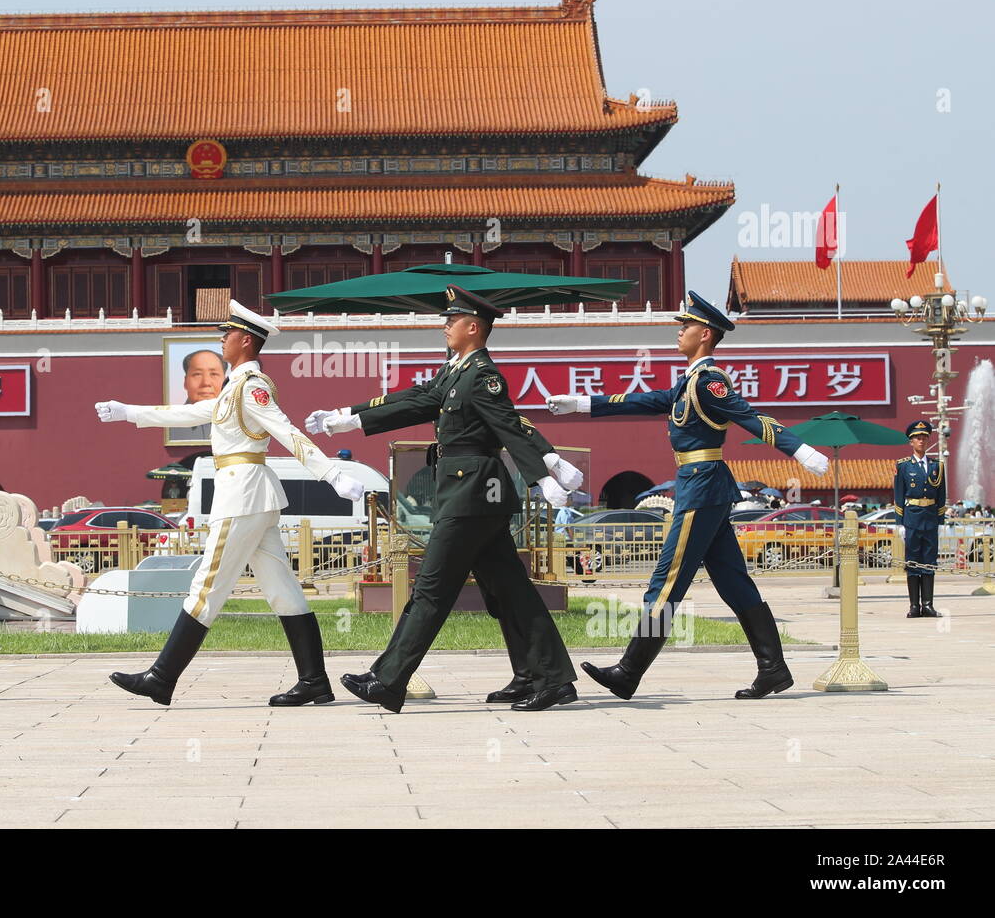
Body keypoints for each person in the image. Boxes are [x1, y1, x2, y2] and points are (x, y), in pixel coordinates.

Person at [308, 286, 582, 712]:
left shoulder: (482, 376)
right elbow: (414, 400)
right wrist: (350, 417)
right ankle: (545, 676)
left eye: (451, 320)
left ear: (473, 328)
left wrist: (540, 475)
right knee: (509, 591)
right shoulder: (455, 372)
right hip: (469, 496)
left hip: (472, 495)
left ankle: (389, 679)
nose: (445, 326)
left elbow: (509, 425)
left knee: (432, 589)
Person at [547, 290, 831, 701]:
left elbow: (750, 417)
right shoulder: (689, 383)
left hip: (701, 486)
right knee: (734, 582)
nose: (679, 331)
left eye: (687, 326)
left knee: (667, 580)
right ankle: (773, 669)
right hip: (702, 485)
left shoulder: (709, 381)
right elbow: (640, 401)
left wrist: (799, 450)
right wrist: (579, 404)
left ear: (706, 334)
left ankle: (628, 671)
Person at [94, 300, 364, 706]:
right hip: (249, 495)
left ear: (246, 340)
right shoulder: (233, 387)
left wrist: (333, 475)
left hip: (242, 497)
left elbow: (287, 432)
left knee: (206, 587)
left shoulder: (252, 387)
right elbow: (192, 413)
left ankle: (161, 678)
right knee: (282, 591)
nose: (222, 338)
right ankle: (314, 681)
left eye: (228, 333)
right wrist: (129, 411)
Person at [894, 419, 945, 618]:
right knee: (913, 562)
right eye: (917, 438)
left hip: (930, 517)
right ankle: (914, 605)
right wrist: (900, 523)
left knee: (929, 562)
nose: (921, 441)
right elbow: (899, 495)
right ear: (911, 442)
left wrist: (940, 522)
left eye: (924, 437)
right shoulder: (904, 466)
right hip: (912, 517)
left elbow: (941, 495)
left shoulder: (937, 466)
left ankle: (928, 604)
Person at [167, 348, 227, 443]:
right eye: (197, 374)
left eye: (214, 374)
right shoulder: (169, 426)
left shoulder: (237, 423)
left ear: (225, 381)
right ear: (185, 382)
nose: (206, 383)